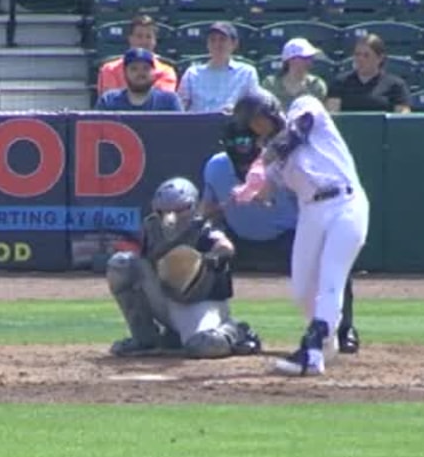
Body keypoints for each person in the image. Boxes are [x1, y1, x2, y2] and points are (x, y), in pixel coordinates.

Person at [230, 88, 371, 377]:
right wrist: (249, 192)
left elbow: (295, 133)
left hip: (346, 203)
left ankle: (313, 350)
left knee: (332, 278)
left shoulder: (304, 107)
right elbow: (267, 192)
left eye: (258, 119)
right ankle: (326, 340)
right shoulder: (274, 161)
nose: (257, 127)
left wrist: (262, 162)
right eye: (252, 124)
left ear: (270, 110)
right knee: (302, 290)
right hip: (311, 212)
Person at [106, 177, 264, 358]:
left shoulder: (205, 228)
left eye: (178, 210)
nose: (170, 217)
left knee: (204, 346)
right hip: (165, 296)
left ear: (191, 207)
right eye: (163, 211)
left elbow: (225, 247)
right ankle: (145, 338)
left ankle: (236, 331)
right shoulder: (151, 227)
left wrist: (212, 257)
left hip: (201, 304)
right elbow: (139, 259)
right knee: (121, 265)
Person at [200, 113, 296, 274]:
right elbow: (208, 210)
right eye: (233, 142)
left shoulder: (280, 165)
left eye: (244, 142)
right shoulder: (215, 166)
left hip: (286, 242)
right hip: (239, 244)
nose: (240, 147)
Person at [176, 21, 260, 113]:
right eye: (212, 40)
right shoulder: (192, 74)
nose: (217, 44)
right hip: (199, 125)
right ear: (207, 44)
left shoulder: (246, 73)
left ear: (234, 44)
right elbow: (181, 108)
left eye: (222, 39)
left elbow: (253, 107)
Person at [93, 13, 178, 98]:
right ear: (130, 39)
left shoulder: (166, 72)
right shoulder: (110, 70)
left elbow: (162, 103)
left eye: (148, 37)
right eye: (139, 36)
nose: (144, 41)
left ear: (155, 41)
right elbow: (110, 102)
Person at [327, 33, 412, 113]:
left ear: (380, 58)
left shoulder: (396, 85)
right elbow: (333, 116)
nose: (360, 59)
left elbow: (401, 118)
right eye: (357, 54)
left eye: (366, 55)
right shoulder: (340, 82)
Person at [96, 47, 182, 111]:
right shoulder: (108, 101)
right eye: (134, 69)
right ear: (125, 72)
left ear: (154, 71)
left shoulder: (169, 101)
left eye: (146, 68)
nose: (140, 73)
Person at [260, 37, 329, 105]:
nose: (309, 61)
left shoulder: (316, 85)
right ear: (291, 60)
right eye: (305, 58)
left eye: (310, 57)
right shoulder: (270, 85)